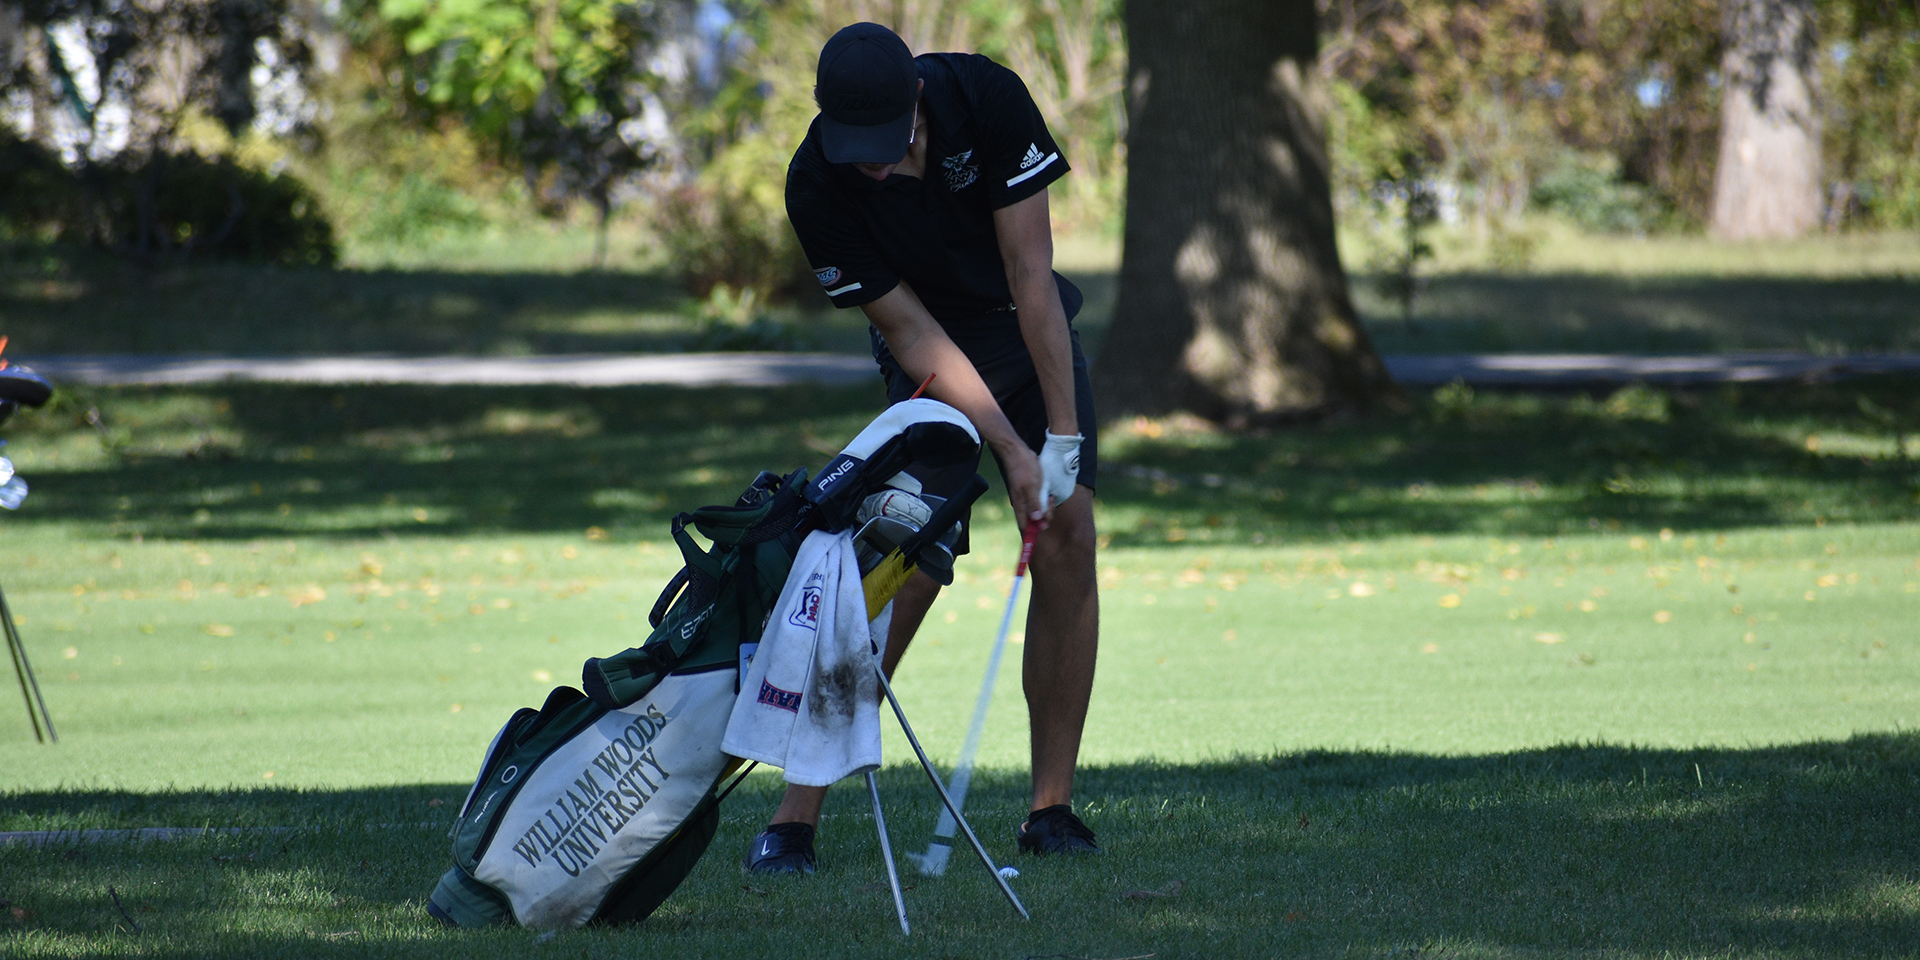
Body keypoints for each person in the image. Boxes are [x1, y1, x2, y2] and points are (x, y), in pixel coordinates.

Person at [743, 21, 1101, 873]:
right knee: (902, 552)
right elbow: (913, 335)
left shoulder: (987, 99)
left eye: (887, 142)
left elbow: (1032, 277)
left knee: (1070, 534)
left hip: (1024, 327)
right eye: (853, 147)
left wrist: (1060, 443)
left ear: (918, 102)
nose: (872, 164)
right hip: (929, 350)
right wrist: (1010, 453)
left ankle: (1051, 812)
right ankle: (795, 819)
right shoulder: (816, 186)